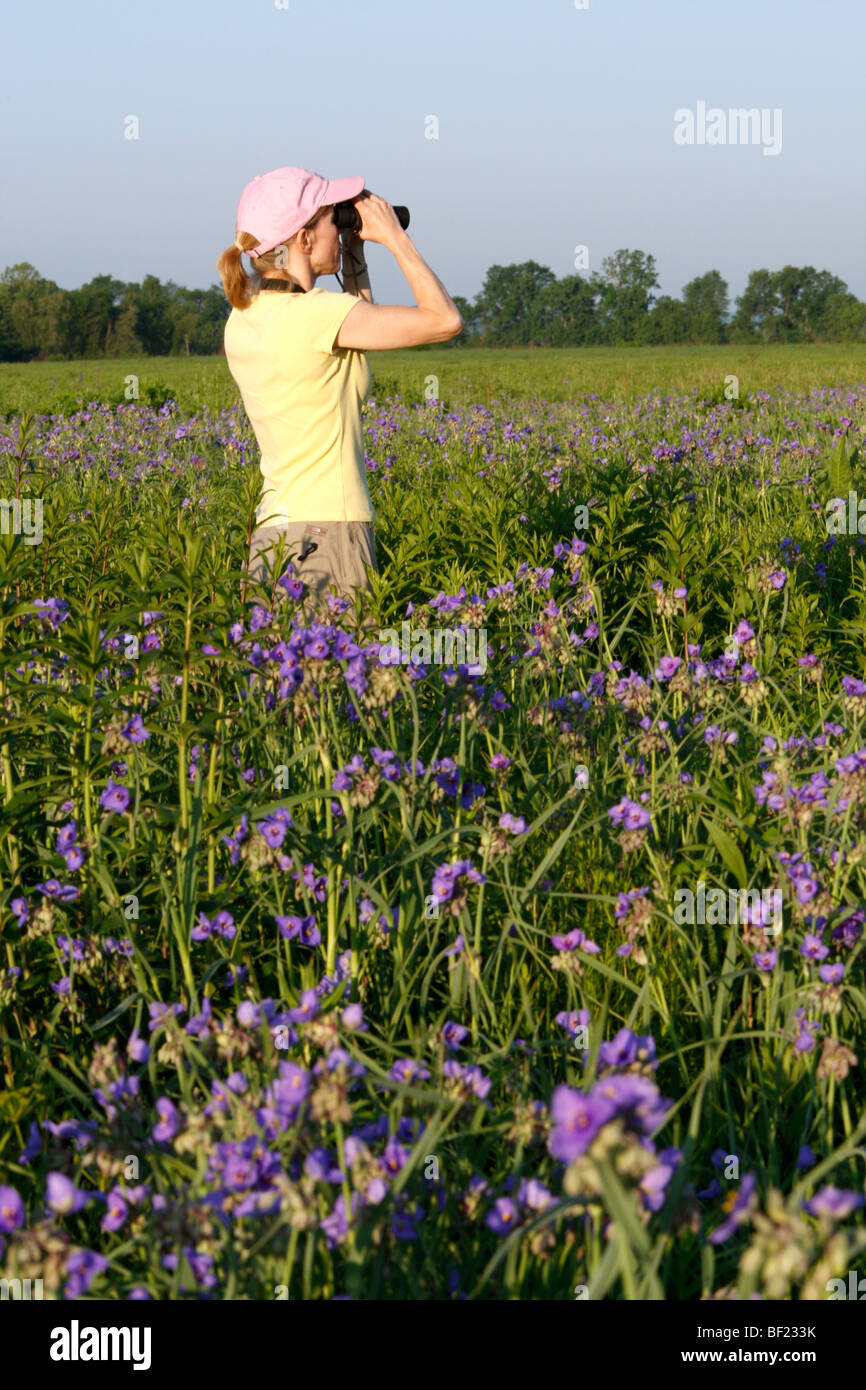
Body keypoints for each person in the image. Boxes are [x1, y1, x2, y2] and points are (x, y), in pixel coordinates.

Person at [216, 166, 463, 623]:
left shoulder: (243, 320)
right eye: (334, 217)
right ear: (303, 239)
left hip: (272, 540)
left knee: (287, 691)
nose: (341, 225)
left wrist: (354, 257)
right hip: (329, 534)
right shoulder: (317, 316)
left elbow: (354, 335)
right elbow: (444, 320)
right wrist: (394, 238)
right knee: (343, 685)